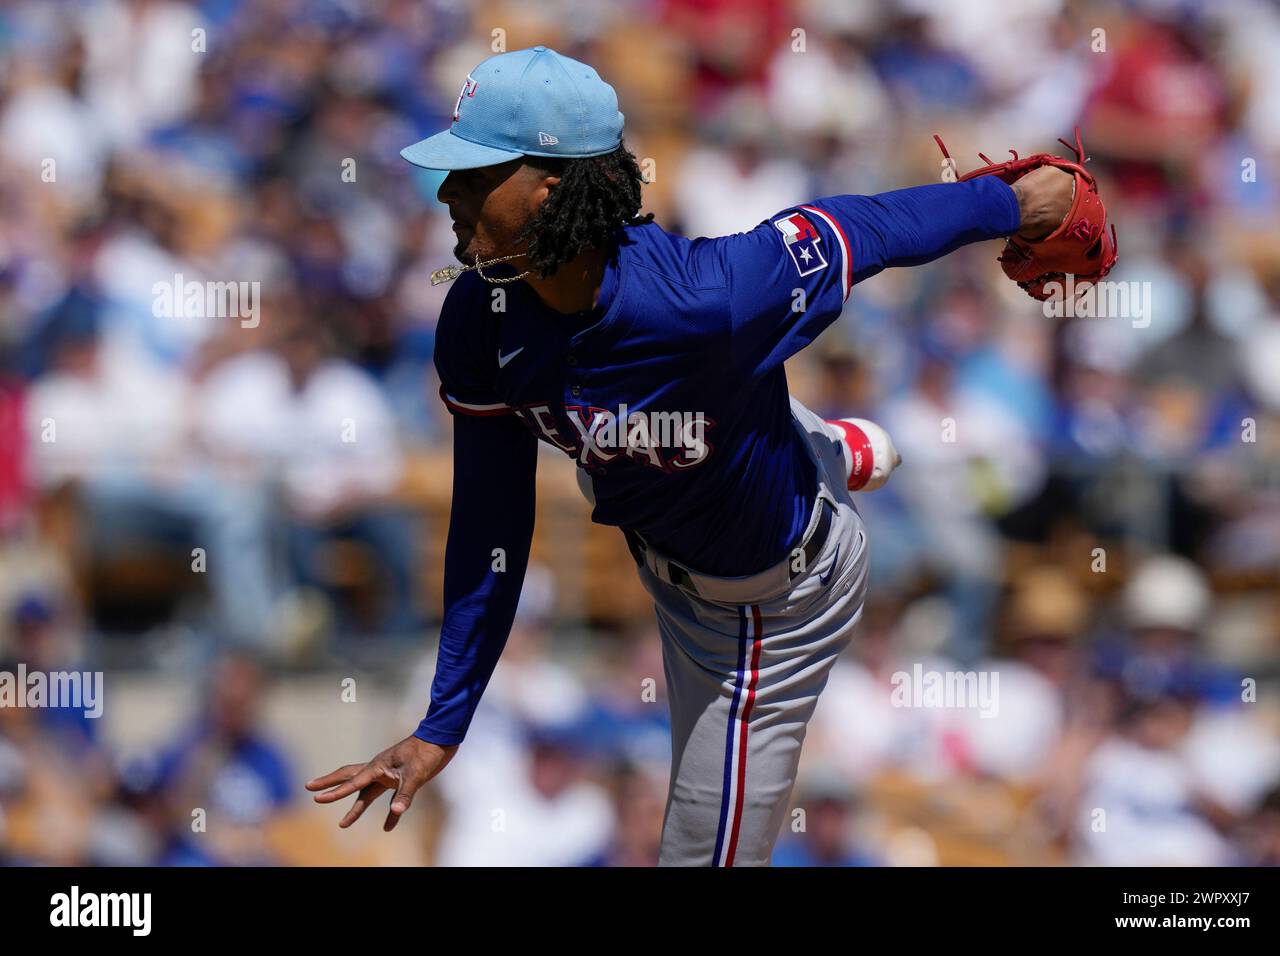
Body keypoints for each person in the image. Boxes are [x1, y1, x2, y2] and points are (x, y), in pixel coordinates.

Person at [307, 47, 1073, 866]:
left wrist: (1017, 201)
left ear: (550, 189)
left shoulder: (710, 298)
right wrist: (442, 725)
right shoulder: (480, 315)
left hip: (770, 612)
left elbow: (868, 228)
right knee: (651, 428)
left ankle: (821, 461)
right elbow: (492, 523)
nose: (448, 193)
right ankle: (825, 448)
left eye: (475, 172)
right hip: (684, 480)